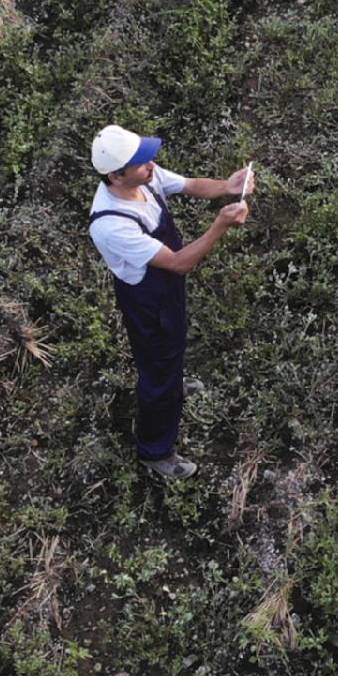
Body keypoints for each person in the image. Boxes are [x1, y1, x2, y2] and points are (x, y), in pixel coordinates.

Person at [87, 124, 251, 479]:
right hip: (148, 299)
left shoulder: (143, 175)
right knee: (157, 371)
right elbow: (179, 263)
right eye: (142, 162)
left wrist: (227, 187)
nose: (152, 164)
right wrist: (220, 226)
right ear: (115, 176)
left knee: (172, 346)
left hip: (166, 288)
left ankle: (174, 382)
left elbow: (191, 185)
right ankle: (155, 451)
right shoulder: (111, 224)